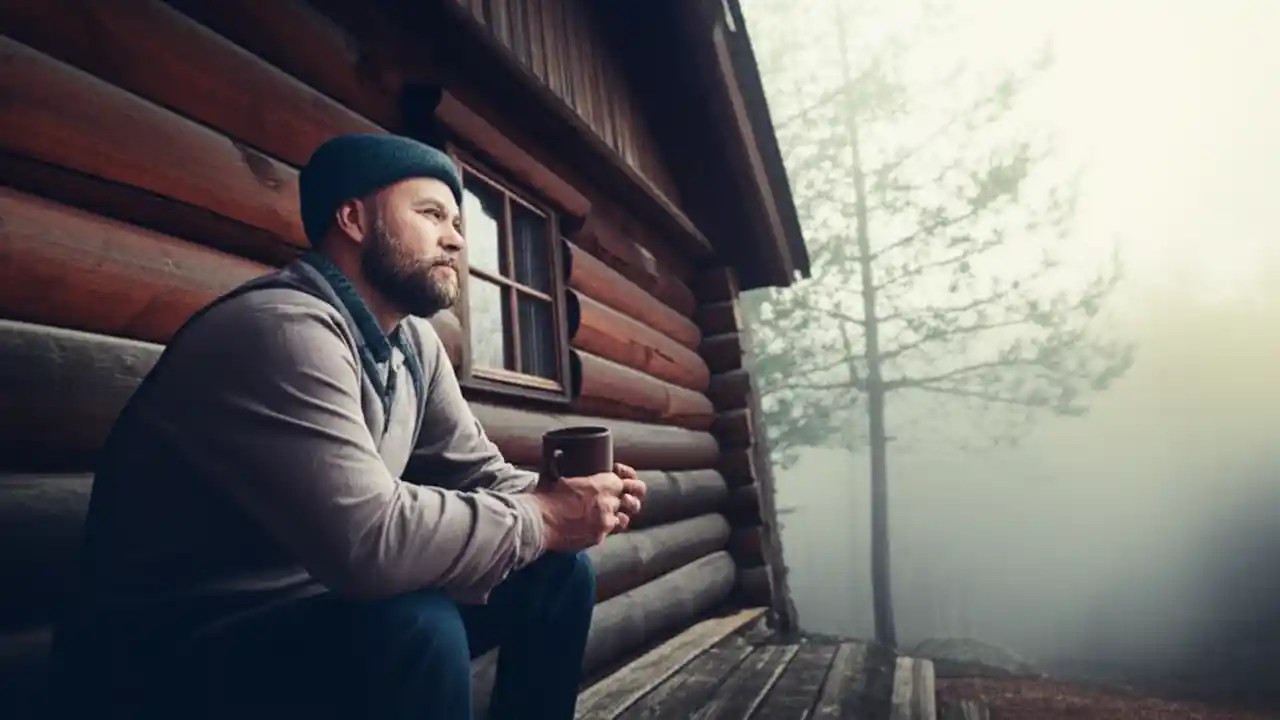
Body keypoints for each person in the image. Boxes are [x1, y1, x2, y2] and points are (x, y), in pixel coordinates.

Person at [48, 133, 646, 719]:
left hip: (307, 610)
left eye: (459, 224)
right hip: (167, 652)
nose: (455, 240)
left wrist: (578, 499)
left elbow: (477, 471)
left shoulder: (411, 343)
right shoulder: (282, 329)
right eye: (432, 213)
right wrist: (544, 516)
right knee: (419, 628)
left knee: (558, 573)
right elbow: (370, 541)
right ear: (353, 219)